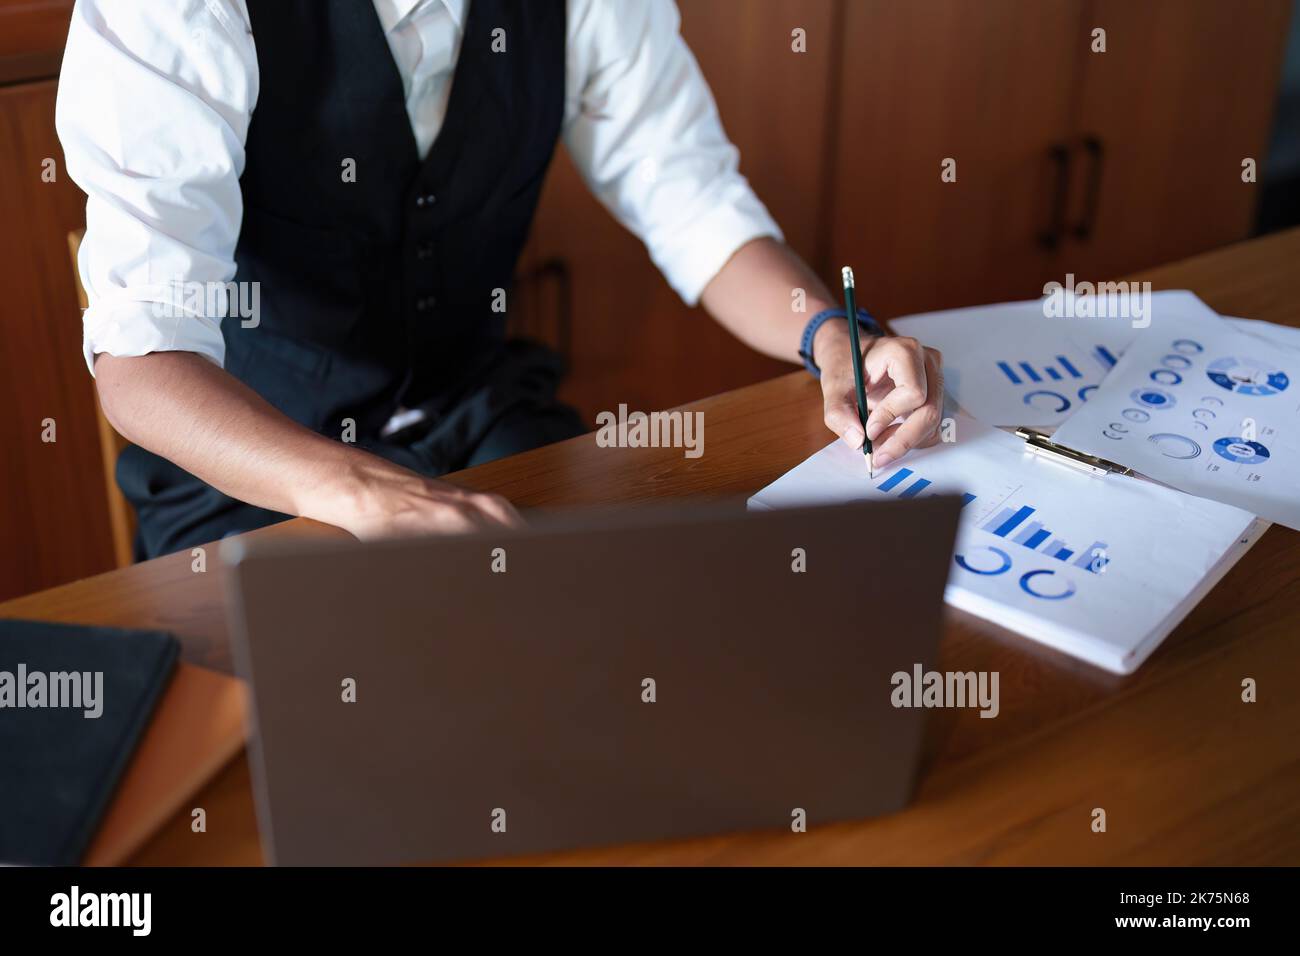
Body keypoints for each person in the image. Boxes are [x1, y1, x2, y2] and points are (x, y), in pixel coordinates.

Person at [57, 0, 944, 559]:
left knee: (646, 647)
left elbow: (694, 200)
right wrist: (359, 490)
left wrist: (832, 333)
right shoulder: (175, 10)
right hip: (253, 476)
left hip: (482, 421)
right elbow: (144, 360)